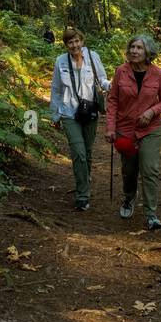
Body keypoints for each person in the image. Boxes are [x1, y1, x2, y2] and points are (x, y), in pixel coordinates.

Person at [106, 34, 161, 231]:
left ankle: (151, 214)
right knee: (129, 170)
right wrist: (110, 128)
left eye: (139, 48)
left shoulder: (157, 74)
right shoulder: (121, 72)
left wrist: (152, 111)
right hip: (125, 130)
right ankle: (128, 198)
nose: (134, 51)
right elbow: (113, 101)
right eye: (132, 47)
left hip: (151, 129)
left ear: (148, 52)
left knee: (150, 169)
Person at [49, 26, 109, 212]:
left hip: (90, 111)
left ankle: (85, 180)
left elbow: (102, 80)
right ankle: (83, 195)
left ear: (82, 41)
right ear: (66, 45)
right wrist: (55, 114)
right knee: (79, 153)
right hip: (69, 112)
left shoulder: (93, 57)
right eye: (70, 42)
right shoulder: (61, 61)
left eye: (77, 41)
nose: (74, 45)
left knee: (88, 152)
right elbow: (56, 89)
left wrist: (113, 85)